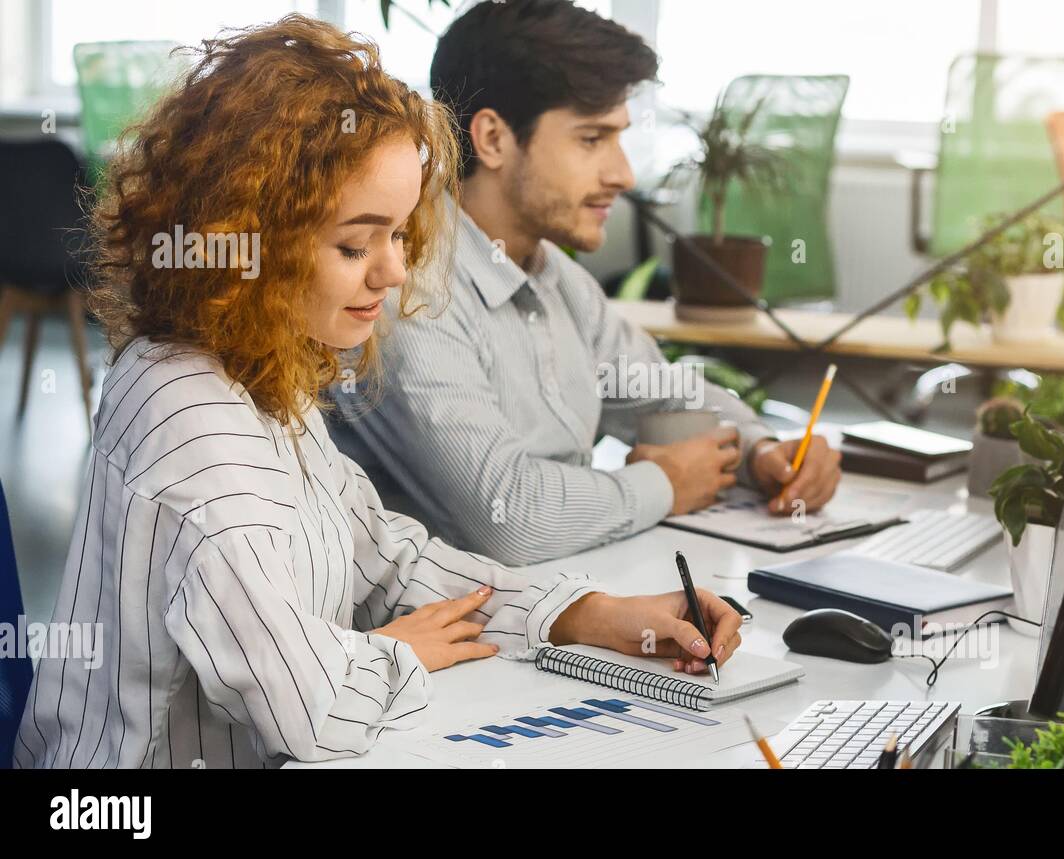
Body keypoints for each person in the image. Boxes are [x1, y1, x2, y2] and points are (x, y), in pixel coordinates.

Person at [14, 15, 741, 769]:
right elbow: (310, 710)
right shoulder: (191, 416)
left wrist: (589, 615)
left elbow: (387, 559)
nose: (394, 273)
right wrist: (394, 651)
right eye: (356, 244)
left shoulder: (264, 368)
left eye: (398, 235)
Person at [328, 0, 843, 566]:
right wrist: (663, 483)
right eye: (592, 139)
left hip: (567, 595)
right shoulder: (405, 289)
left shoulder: (555, 276)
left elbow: (664, 395)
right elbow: (510, 518)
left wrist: (762, 450)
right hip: (444, 634)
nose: (622, 174)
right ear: (494, 139)